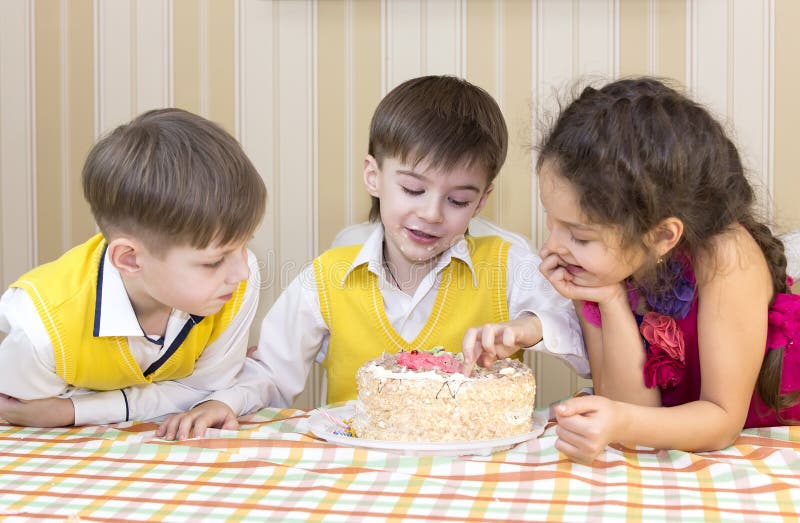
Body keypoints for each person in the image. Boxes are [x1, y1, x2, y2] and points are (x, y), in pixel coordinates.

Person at [164, 74, 587, 436]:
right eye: (414, 190)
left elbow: (584, 343)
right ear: (374, 176)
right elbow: (271, 373)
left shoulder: (508, 265)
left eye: (457, 200)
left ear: (480, 203)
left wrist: (531, 327)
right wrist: (227, 402)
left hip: (475, 472)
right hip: (356, 472)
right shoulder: (327, 277)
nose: (431, 213)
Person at [492, 76, 799, 464]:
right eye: (551, 222)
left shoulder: (725, 257)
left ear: (661, 236)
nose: (551, 248)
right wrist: (608, 299)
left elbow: (722, 421)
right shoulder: (605, 268)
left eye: (580, 236)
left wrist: (619, 419)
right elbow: (629, 407)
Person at [0, 108, 269, 438]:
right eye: (213, 262)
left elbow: (203, 392)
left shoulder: (235, 282)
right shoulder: (43, 331)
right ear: (129, 260)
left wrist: (75, 409)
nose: (241, 272)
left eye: (245, 245)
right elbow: (22, 415)